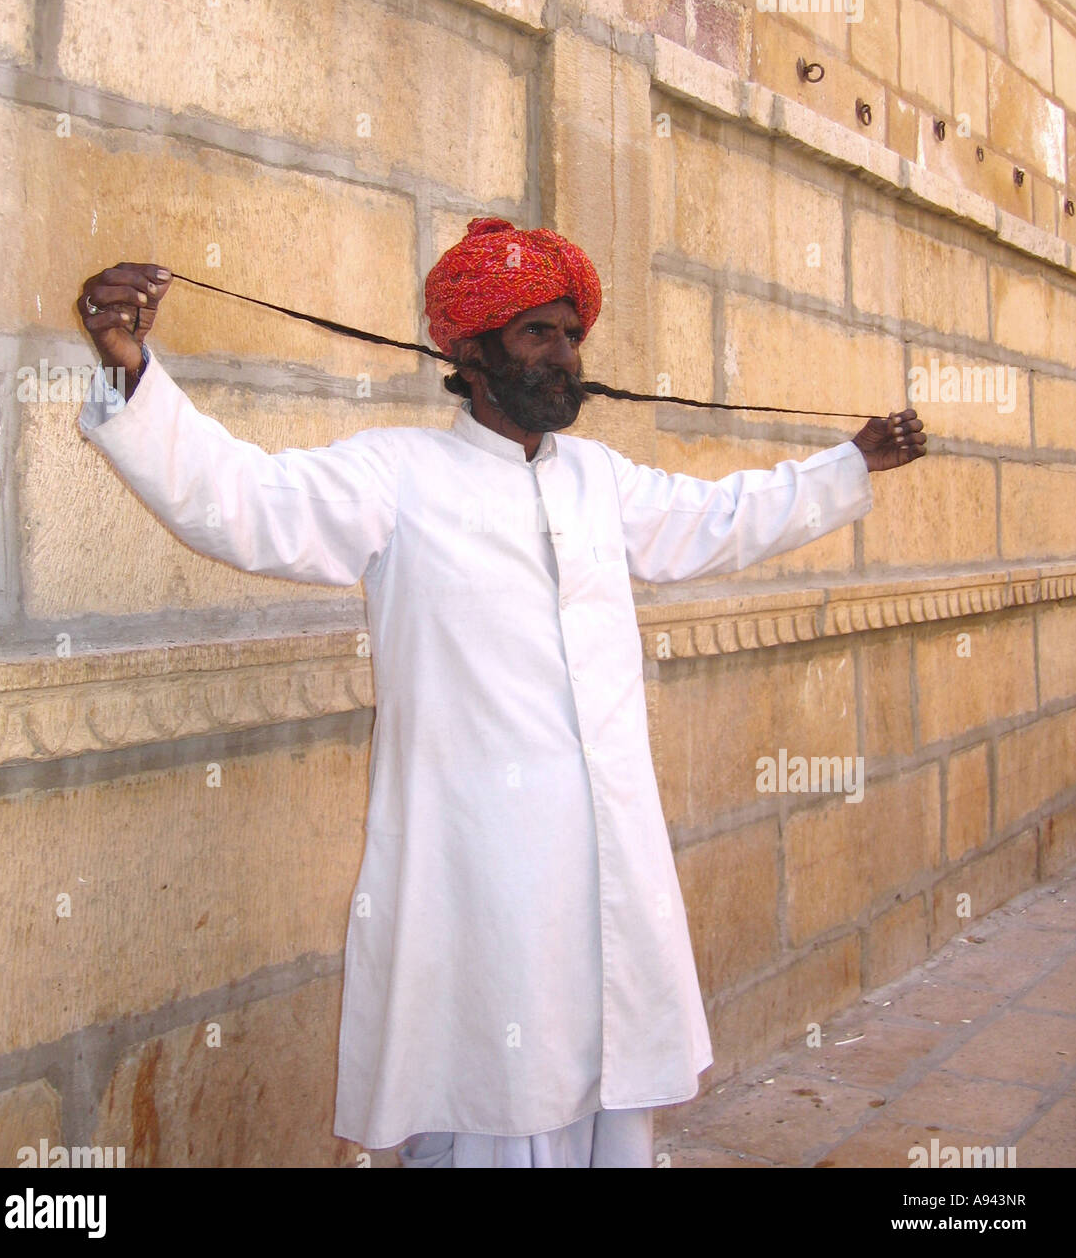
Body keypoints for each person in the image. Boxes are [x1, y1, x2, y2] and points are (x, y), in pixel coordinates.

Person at [75, 218, 926, 1169]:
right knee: (492, 1082)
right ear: (470, 352)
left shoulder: (600, 479)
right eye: (539, 335)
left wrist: (848, 465)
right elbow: (243, 503)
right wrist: (130, 370)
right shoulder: (397, 475)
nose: (566, 356)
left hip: (608, 853)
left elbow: (721, 517)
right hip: (481, 867)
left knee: (610, 1085)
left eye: (571, 335)